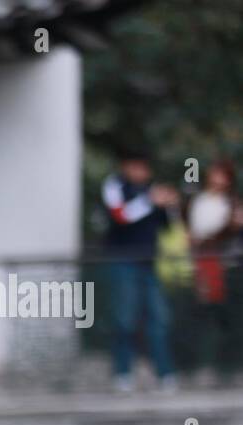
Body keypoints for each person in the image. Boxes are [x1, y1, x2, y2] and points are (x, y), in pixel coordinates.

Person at [102, 147, 180, 392]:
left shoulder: (153, 190)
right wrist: (149, 201)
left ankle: (165, 374)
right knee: (125, 319)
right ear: (126, 167)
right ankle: (123, 374)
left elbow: (169, 226)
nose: (141, 172)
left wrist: (170, 205)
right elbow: (121, 216)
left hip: (149, 263)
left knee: (158, 320)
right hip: (123, 262)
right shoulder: (115, 186)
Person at [186, 160, 242, 380]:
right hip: (207, 264)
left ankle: (229, 367)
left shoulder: (233, 202)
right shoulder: (201, 201)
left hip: (231, 266)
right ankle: (205, 365)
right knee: (207, 314)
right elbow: (199, 235)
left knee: (231, 317)